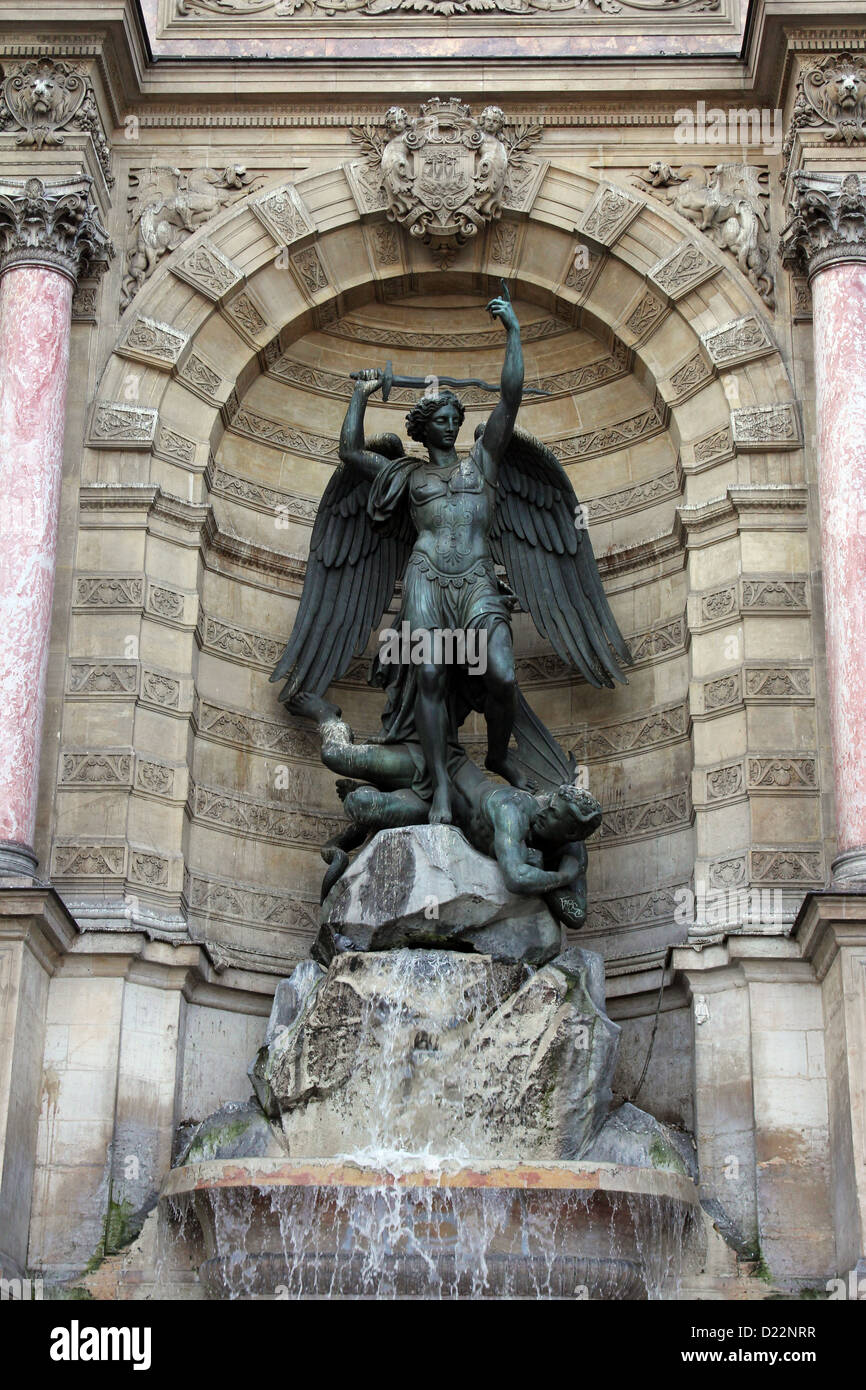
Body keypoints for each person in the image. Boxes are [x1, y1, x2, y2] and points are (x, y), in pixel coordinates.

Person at [338, 289, 524, 825]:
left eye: (453, 417)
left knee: (503, 675)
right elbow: (351, 453)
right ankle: (440, 787)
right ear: (424, 427)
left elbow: (509, 397)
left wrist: (513, 331)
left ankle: (495, 753)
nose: (449, 423)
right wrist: (360, 395)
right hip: (424, 577)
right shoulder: (408, 475)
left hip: (475, 579)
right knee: (430, 675)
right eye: (439, 418)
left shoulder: (482, 462)